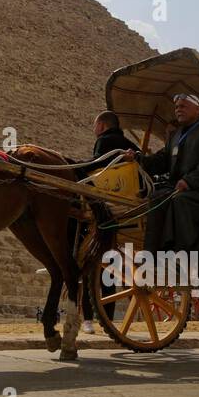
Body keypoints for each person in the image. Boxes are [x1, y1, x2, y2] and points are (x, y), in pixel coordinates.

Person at [121, 93, 199, 278]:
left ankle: (185, 254)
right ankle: (153, 256)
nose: (179, 109)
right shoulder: (177, 135)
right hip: (179, 186)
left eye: (184, 106)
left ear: (198, 110)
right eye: (177, 106)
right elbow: (162, 160)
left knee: (179, 201)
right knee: (157, 197)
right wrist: (138, 158)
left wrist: (190, 180)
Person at [79, 110, 140, 332]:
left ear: (102, 126)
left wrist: (73, 167)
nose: (94, 131)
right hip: (128, 207)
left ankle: (88, 320)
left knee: (88, 271)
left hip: (107, 207)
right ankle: (108, 320)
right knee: (108, 274)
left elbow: (97, 164)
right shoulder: (129, 144)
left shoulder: (106, 141)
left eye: (95, 126)